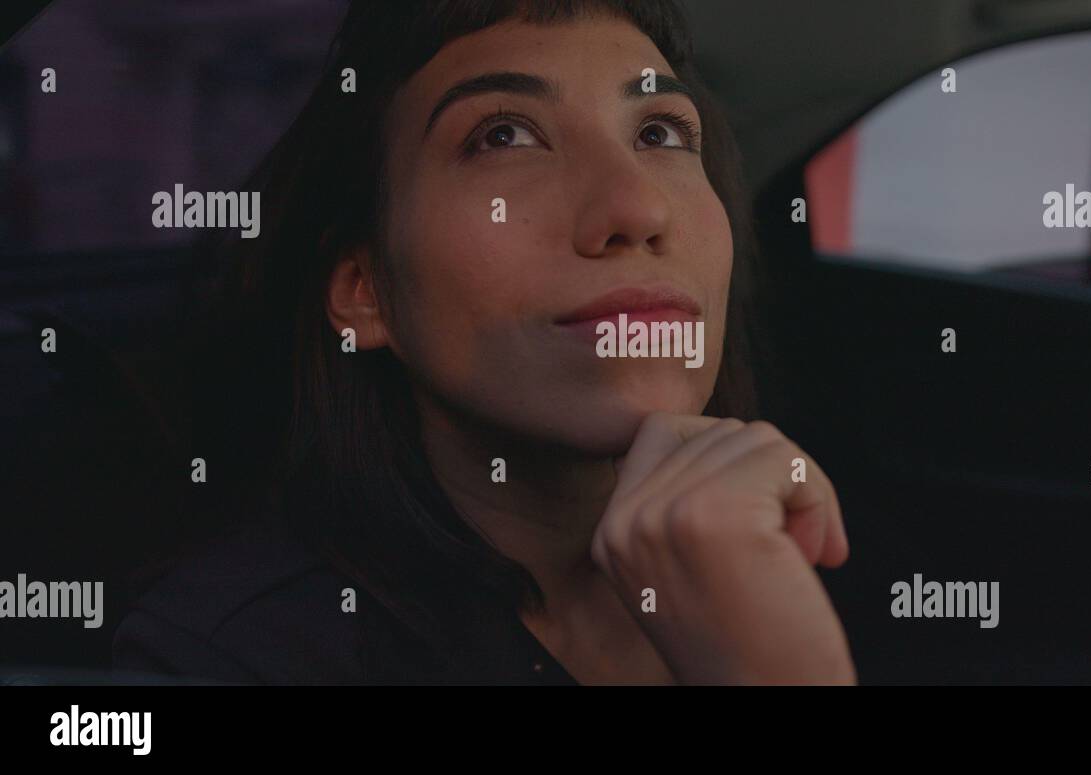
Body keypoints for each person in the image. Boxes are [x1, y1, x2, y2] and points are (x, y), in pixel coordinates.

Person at [112, 0, 854, 685]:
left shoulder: (829, 547)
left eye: (659, 132)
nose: (635, 206)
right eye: (505, 136)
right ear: (367, 290)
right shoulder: (233, 655)